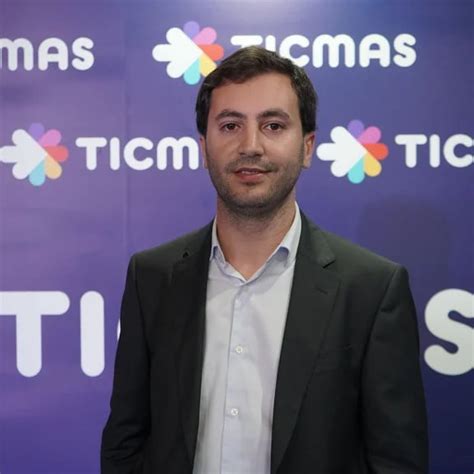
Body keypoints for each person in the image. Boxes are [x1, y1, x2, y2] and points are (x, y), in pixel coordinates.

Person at [101, 46, 428, 474]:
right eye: (230, 125)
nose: (250, 145)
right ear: (204, 147)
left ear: (307, 147)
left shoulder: (371, 289)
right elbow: (125, 444)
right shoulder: (152, 277)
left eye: (273, 125)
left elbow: (396, 462)